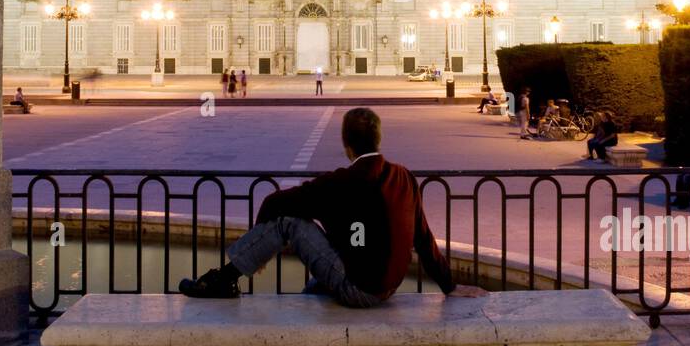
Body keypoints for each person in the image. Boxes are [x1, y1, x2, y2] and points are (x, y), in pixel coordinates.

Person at [179, 108, 490, 305]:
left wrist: (259, 249)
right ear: (378, 140)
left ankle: (223, 279)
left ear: (347, 145)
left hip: (361, 288)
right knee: (313, 293)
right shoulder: (404, 176)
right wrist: (449, 286)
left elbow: (276, 202)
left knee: (288, 221)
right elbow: (423, 237)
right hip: (388, 288)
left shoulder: (341, 181)